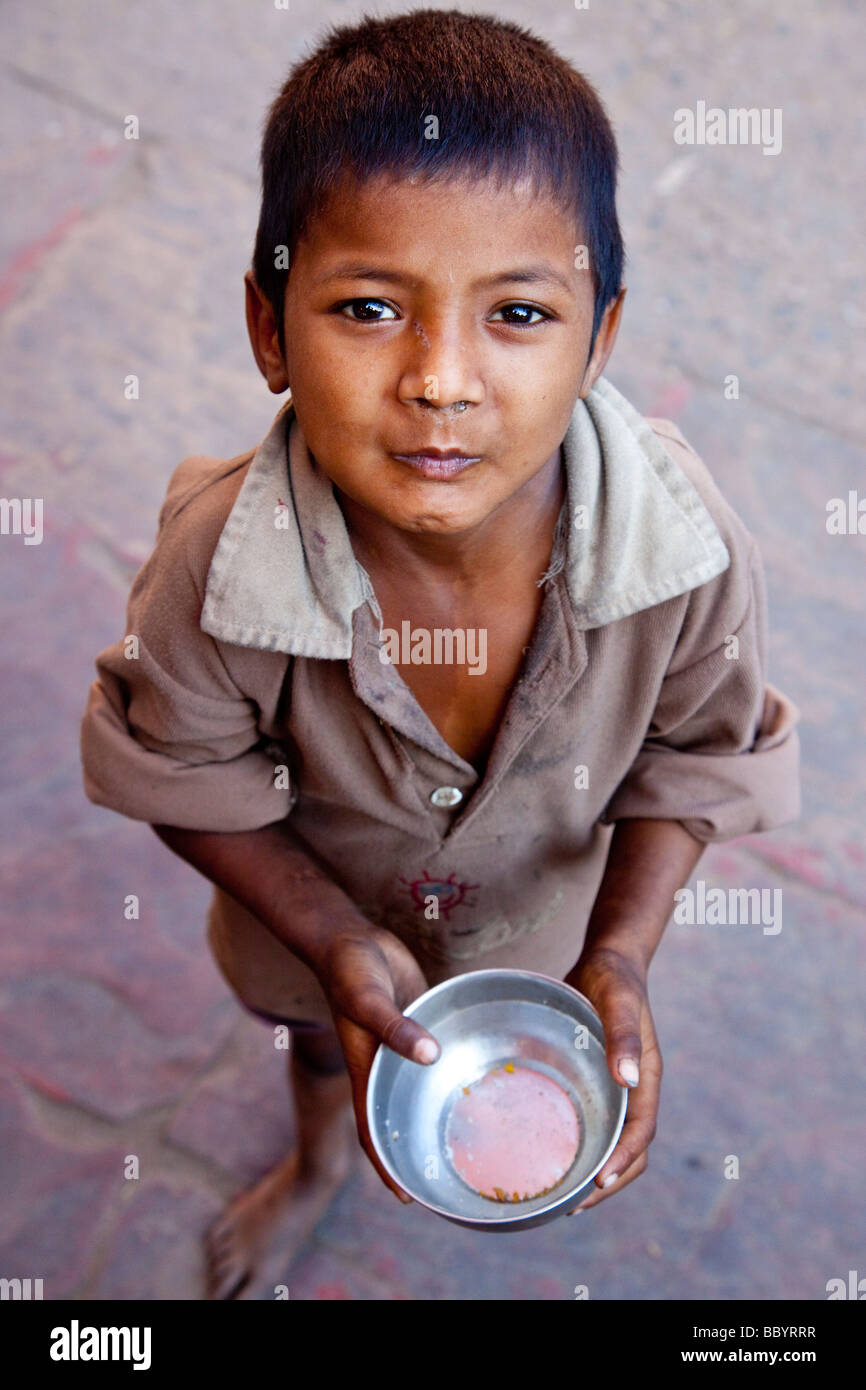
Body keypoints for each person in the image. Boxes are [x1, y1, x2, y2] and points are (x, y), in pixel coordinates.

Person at [79, 8, 801, 1298]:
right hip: (308, 940)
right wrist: (335, 937)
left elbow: (701, 758)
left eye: (519, 313)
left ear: (601, 339)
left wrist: (621, 956)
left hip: (551, 932)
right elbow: (177, 777)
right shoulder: (212, 570)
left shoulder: (681, 552)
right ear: (268, 329)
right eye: (368, 307)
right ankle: (314, 1164)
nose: (442, 379)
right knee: (318, 1047)